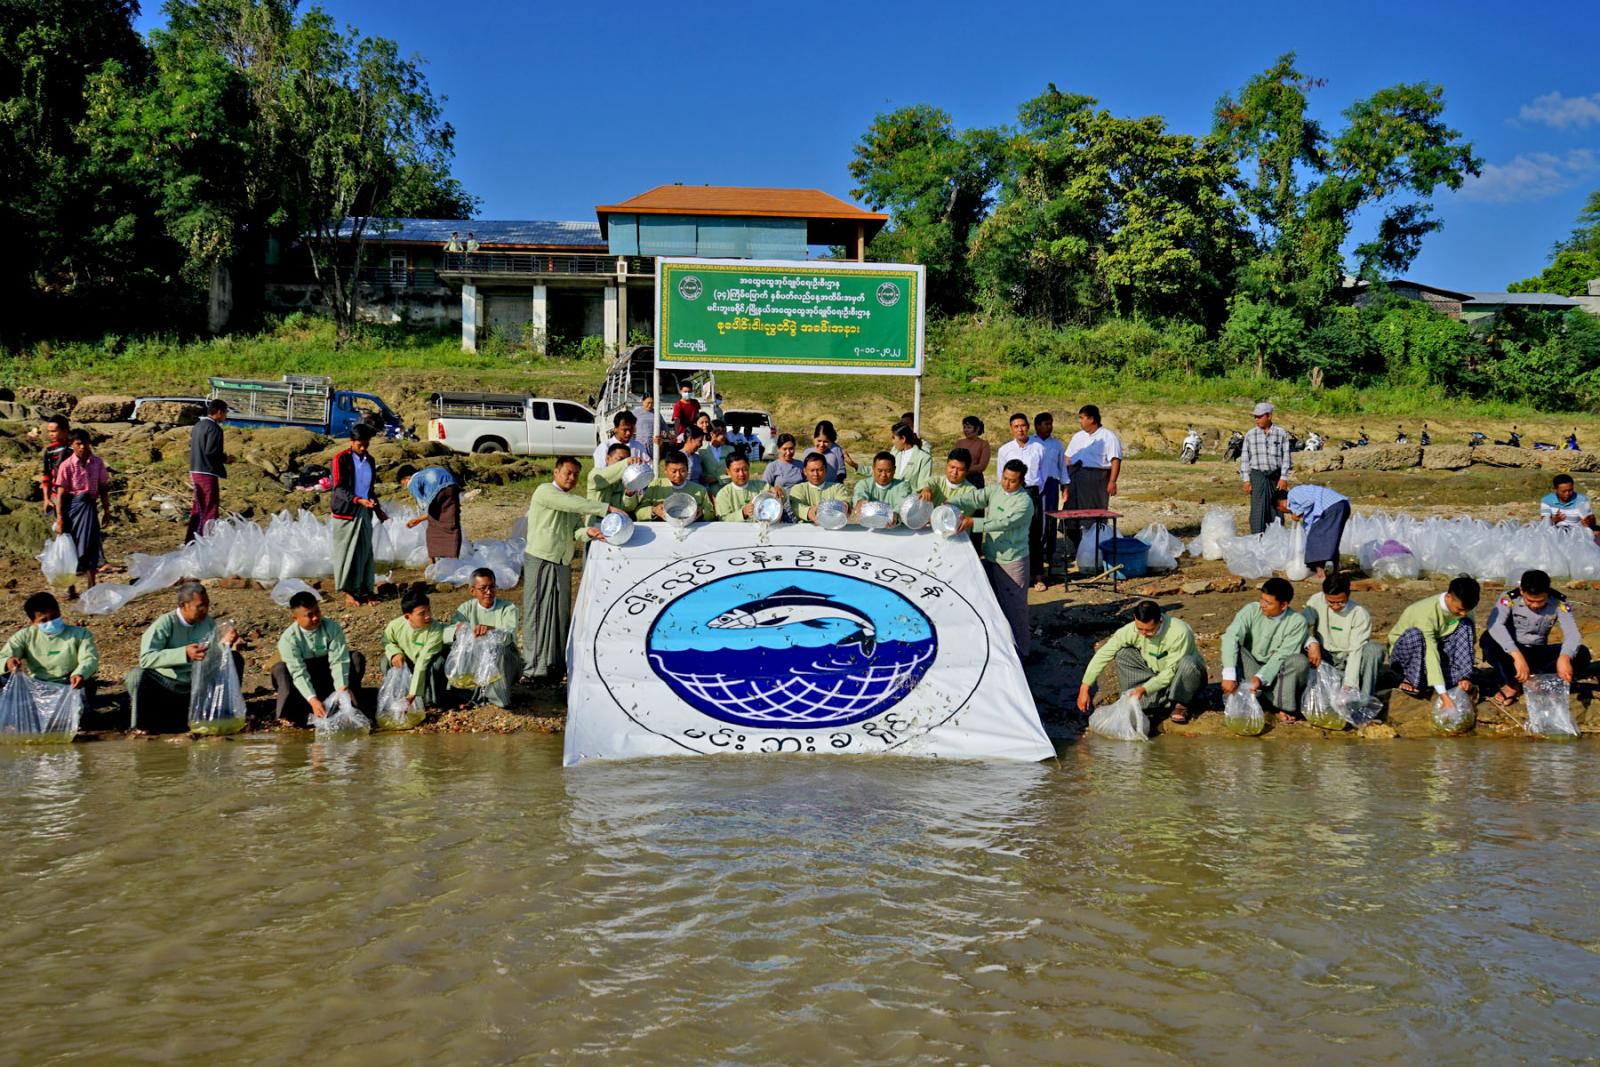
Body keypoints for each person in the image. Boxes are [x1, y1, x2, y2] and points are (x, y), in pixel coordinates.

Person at [522, 456, 619, 683]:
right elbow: (572, 504)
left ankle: (554, 665)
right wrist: (607, 508)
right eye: (568, 473)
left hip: (562, 561)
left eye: (576, 474)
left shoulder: (569, 501)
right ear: (556, 472)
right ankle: (532, 667)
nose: (572, 478)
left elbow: (575, 530)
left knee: (559, 613)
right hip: (541, 558)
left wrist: (589, 533)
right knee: (537, 612)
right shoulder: (545, 491)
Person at [125, 583, 243, 733]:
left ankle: (224, 715)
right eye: (200, 606)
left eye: (207, 605)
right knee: (137, 675)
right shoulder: (165, 623)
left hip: (197, 683)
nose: (205, 610)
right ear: (183, 605)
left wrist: (225, 644)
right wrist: (184, 654)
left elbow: (212, 655)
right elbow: (147, 658)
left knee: (234, 658)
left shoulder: (208, 622)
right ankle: (141, 727)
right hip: (169, 684)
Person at [1077, 600, 1206, 724]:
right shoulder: (1131, 630)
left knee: (1188, 663)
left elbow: (1170, 671)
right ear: (1134, 618)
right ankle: (1147, 701)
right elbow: (1104, 653)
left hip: (1183, 679)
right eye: (1140, 629)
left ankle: (1180, 704)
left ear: (1160, 621)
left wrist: (1145, 688)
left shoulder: (1179, 632)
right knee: (1123, 653)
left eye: (1149, 630)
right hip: (1154, 674)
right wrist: (1085, 686)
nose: (1143, 634)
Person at [956, 460, 1034, 655]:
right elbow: (975, 497)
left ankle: (1022, 653)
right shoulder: (996, 490)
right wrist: (953, 502)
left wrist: (973, 522)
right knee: (992, 605)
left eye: (1012, 481)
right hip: (991, 556)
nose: (1007, 484)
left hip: (1012, 561)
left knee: (1015, 610)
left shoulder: (1024, 503)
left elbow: (1003, 522)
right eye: (1005, 478)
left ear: (1022, 481)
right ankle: (1000, 650)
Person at [1481, 569, 1591, 707]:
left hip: (1537, 652)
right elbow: (1495, 624)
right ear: (1522, 590)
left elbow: (1572, 634)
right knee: (1488, 639)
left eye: (1541, 601)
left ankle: (1539, 682)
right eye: (1530, 601)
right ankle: (1512, 684)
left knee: (1582, 653)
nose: (1535, 606)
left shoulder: (1558, 603)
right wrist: (1517, 656)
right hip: (1512, 653)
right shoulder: (1509, 598)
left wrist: (1565, 657)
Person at [1220, 577, 1310, 721]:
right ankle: (1261, 698)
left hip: (1277, 675)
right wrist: (1229, 674)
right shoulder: (1252, 610)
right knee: (1233, 647)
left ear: (1284, 605)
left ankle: (1282, 704)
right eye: (1262, 599)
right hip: (1251, 668)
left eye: (1268, 603)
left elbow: (1282, 655)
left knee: (1299, 661)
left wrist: (1260, 678)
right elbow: (1231, 636)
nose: (1263, 605)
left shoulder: (1297, 622)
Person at [272, 591, 365, 725]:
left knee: (356, 658)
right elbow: (298, 672)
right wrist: (313, 699)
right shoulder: (288, 639)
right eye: (309, 615)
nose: (315, 618)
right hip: (304, 682)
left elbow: (338, 660)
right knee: (280, 669)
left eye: (317, 612)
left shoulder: (331, 628)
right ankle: (289, 714)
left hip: (328, 676)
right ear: (295, 618)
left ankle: (351, 705)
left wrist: (341, 688)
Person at [1388, 575, 1480, 703]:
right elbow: (1430, 652)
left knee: (1466, 624)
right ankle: (1410, 679)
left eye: (1467, 610)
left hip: (1438, 649)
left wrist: (1465, 675)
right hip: (1407, 655)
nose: (1463, 613)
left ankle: (1461, 677)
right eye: (1460, 610)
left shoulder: (1464, 610)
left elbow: (1468, 643)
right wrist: (1443, 695)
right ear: (1448, 597)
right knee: (1415, 635)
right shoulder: (1424, 613)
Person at [1299, 573, 1385, 700]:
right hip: (1323, 656)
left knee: (1374, 649)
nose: (1335, 607)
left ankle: (1363, 702)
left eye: (1341, 602)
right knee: (1299, 647)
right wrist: (1312, 643)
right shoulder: (1315, 602)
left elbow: (1356, 650)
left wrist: (1349, 684)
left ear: (1348, 595)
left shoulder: (1359, 614)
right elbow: (1301, 627)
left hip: (1348, 659)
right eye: (1330, 602)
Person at [330, 424, 386, 607]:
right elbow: (338, 488)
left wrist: (377, 509)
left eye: (366, 445)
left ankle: (366, 589)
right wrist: (357, 500)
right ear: (351, 442)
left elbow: (369, 489)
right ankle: (347, 591)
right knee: (346, 553)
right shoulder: (341, 459)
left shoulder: (369, 460)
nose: (363, 448)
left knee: (364, 552)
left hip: (365, 510)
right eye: (360, 445)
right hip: (346, 513)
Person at [4, 592, 97, 698]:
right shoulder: (25, 636)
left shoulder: (80, 634)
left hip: (70, 683)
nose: (51, 622)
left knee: (88, 684)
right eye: (43, 620)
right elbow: (4, 655)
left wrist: (80, 674)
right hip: (38, 686)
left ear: (59, 612)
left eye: (54, 616)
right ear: (33, 621)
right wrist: (9, 662)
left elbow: (89, 659)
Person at [446, 568, 522, 697]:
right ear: (472, 591)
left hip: (504, 660)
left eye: (492, 587)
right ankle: (468, 693)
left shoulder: (508, 608)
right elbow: (447, 634)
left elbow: (508, 636)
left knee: (500, 651)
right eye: (483, 588)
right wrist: (460, 629)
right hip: (475, 660)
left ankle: (498, 696)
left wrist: (491, 630)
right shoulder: (465, 609)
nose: (488, 592)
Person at [52, 429, 112, 593]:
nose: (82, 447)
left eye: (85, 443)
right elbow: (61, 495)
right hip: (72, 509)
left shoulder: (97, 463)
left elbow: (103, 487)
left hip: (90, 507)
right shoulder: (66, 465)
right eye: (78, 444)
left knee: (91, 545)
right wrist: (59, 518)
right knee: (70, 547)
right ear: (72, 445)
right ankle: (70, 588)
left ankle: (91, 586)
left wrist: (107, 510)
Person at [996, 413, 1047, 587]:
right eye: (1016, 426)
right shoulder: (1005, 450)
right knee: (1013, 533)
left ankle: (1038, 576)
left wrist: (1034, 492)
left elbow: (1043, 474)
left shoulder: (1039, 448)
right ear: (1011, 429)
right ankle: (1017, 575)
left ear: (1028, 427)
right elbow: (1000, 477)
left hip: (1032, 493)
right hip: (1011, 494)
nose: (1020, 429)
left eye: (1023, 425)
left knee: (1034, 534)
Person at [1064, 405, 1121, 558]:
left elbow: (1115, 460)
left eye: (1082, 418)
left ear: (1092, 419)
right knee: (1071, 514)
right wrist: (1065, 480)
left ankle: (1093, 551)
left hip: (1095, 478)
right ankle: (1078, 549)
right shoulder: (1078, 436)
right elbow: (1068, 457)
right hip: (1074, 475)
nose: (1080, 421)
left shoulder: (1108, 436)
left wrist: (1112, 481)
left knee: (1092, 515)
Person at [383, 588, 449, 711]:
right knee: (385, 661)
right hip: (408, 662)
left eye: (429, 611)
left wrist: (412, 694)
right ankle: (395, 696)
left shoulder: (435, 630)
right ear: (408, 616)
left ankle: (431, 700)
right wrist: (395, 653)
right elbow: (387, 641)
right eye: (422, 614)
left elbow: (423, 660)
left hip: (426, 665)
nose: (428, 616)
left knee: (437, 663)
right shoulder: (395, 626)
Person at [1274, 483, 1352, 577]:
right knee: (1331, 539)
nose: (1285, 512)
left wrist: (1298, 513)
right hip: (1341, 506)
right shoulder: (1301, 504)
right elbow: (1311, 523)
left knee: (1315, 539)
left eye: (1281, 510)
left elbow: (1309, 500)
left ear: (1280, 503)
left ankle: (1320, 573)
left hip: (1332, 506)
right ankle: (1335, 571)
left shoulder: (1293, 494)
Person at [1028, 412, 1070, 585]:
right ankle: (1034, 558)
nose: (1049, 426)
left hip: (1051, 485)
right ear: (1037, 426)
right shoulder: (1031, 442)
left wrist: (1065, 487)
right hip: (1033, 485)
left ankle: (1049, 555)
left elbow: (1062, 468)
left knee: (1049, 520)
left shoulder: (1056, 444)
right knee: (1034, 521)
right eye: (1046, 424)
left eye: (1051, 423)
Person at [1240, 402, 1292, 535]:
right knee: (1257, 508)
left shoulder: (1281, 433)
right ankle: (1257, 538)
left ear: (1269, 416)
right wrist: (1246, 480)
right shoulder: (1250, 435)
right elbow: (1245, 458)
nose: (1256, 419)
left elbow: (1286, 457)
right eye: (1255, 417)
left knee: (1277, 507)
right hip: (1257, 476)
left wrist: (1284, 477)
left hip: (1276, 476)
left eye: (1259, 416)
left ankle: (1276, 537)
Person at [398, 464, 461, 563]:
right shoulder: (428, 472)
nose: (406, 486)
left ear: (407, 478)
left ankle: (432, 563)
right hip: (452, 485)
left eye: (403, 483)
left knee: (432, 528)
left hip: (436, 492)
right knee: (451, 523)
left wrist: (417, 519)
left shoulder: (413, 481)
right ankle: (454, 560)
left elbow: (424, 505)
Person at [186, 399, 228, 543]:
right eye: (225, 412)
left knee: (198, 507)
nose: (225, 416)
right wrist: (226, 459)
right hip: (206, 471)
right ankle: (204, 542)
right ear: (219, 412)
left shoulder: (198, 425)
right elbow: (211, 452)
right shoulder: (214, 428)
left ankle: (191, 541)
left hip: (195, 469)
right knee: (209, 507)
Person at [633, 450, 712, 521]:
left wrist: (702, 512)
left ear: (688, 470)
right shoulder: (656, 486)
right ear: (665, 471)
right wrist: (654, 510)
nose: (678, 475)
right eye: (674, 471)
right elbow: (639, 513)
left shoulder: (699, 490)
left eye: (682, 471)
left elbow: (712, 514)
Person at [789, 453, 851, 522]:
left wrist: (845, 505)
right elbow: (797, 507)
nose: (816, 474)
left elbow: (844, 502)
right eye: (812, 470)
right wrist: (811, 512)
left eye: (820, 470)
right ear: (805, 471)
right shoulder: (798, 489)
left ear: (826, 470)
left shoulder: (838, 487)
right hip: (805, 529)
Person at [852, 452, 911, 524]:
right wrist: (860, 503)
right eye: (880, 470)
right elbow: (859, 495)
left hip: (896, 530)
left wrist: (895, 516)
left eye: (888, 471)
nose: (883, 475)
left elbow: (902, 503)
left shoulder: (903, 486)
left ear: (894, 470)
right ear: (873, 468)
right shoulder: (863, 484)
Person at [919, 448, 984, 510]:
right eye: (952, 467)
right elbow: (928, 485)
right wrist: (926, 490)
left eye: (960, 469)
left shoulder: (971, 492)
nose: (954, 472)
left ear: (967, 471)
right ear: (946, 465)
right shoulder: (936, 481)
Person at [715, 455, 769, 522]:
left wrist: (780, 491)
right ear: (728, 472)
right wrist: (743, 513)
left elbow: (778, 500)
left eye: (745, 469)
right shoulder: (723, 494)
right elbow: (723, 519)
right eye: (737, 470)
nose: (741, 474)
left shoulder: (762, 486)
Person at [38, 414, 72, 517]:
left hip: (77, 495)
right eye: (49, 432)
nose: (50, 434)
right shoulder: (50, 450)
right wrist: (46, 499)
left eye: (54, 431)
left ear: (65, 431)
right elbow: (46, 475)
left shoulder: (77, 447)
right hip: (57, 494)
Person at [587, 442, 637, 509]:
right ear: (607, 459)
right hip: (597, 519)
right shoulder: (595, 474)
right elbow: (606, 476)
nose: (623, 463)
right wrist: (626, 462)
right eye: (620, 460)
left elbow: (629, 508)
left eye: (625, 460)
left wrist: (629, 495)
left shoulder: (625, 481)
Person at [955, 416, 990, 489]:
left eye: (969, 427)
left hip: (975, 480)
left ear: (977, 428)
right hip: (959, 477)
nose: (966, 430)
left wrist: (965, 470)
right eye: (964, 427)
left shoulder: (984, 444)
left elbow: (982, 466)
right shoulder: (959, 443)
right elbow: (953, 460)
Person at [699, 421, 732, 488]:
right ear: (712, 434)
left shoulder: (730, 450)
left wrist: (717, 479)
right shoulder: (701, 450)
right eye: (722, 433)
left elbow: (734, 474)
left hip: (726, 489)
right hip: (707, 491)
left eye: (725, 433)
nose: (725, 436)